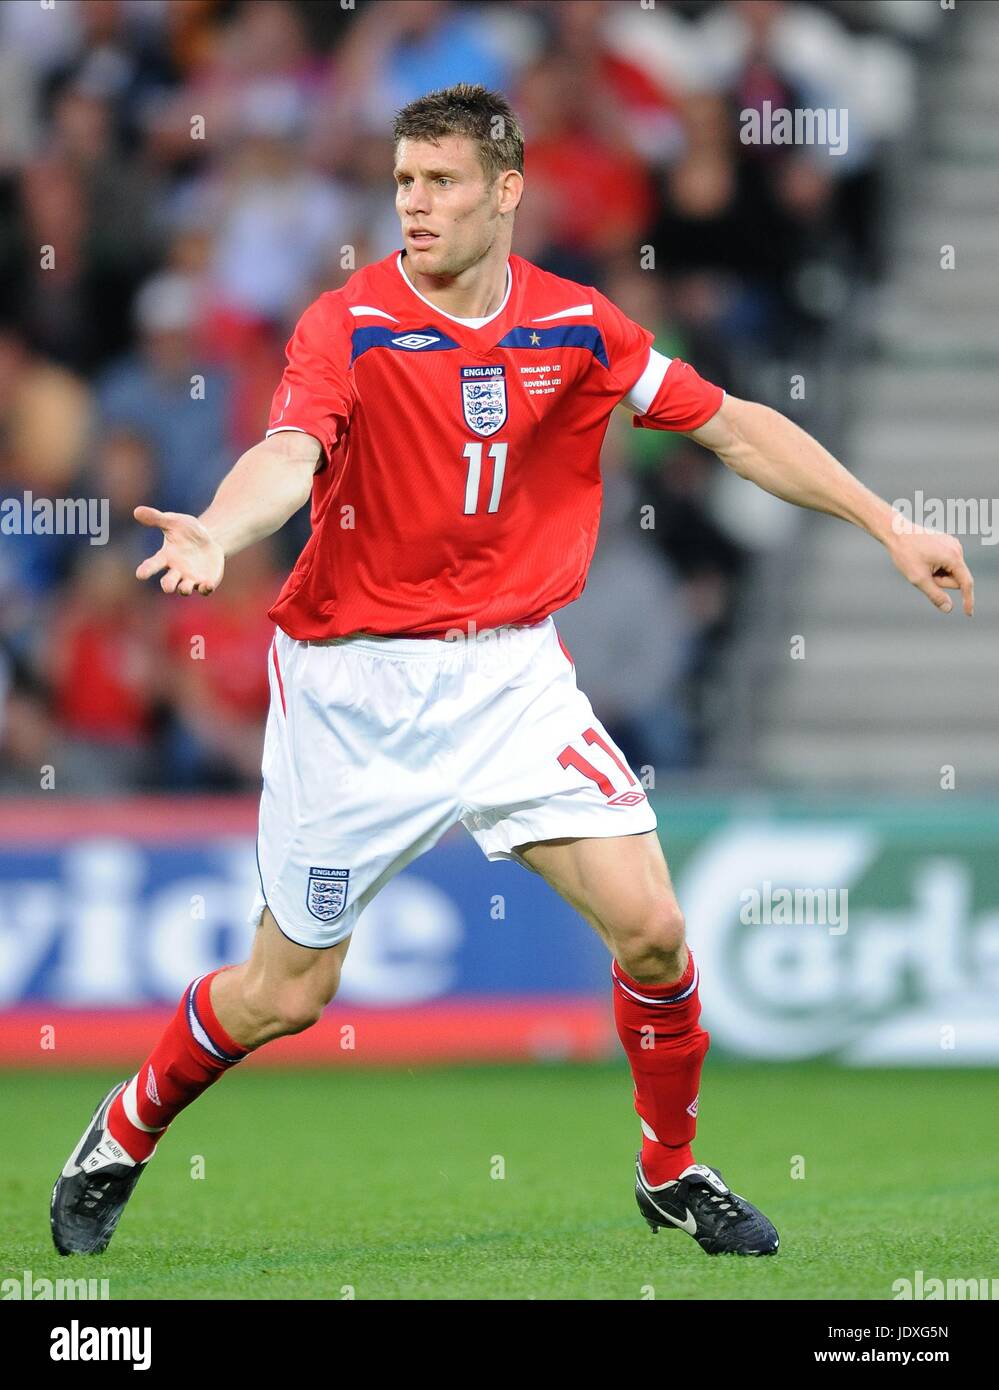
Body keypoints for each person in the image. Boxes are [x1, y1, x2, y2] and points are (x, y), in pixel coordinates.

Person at [51, 83, 973, 1261]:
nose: (414, 207)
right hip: (352, 690)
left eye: (439, 183)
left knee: (652, 929)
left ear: (506, 191)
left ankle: (671, 1168)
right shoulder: (351, 324)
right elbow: (290, 450)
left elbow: (734, 424)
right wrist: (219, 534)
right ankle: (123, 1128)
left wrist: (886, 522)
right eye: (401, 184)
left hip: (509, 678)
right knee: (285, 994)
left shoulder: (579, 327)